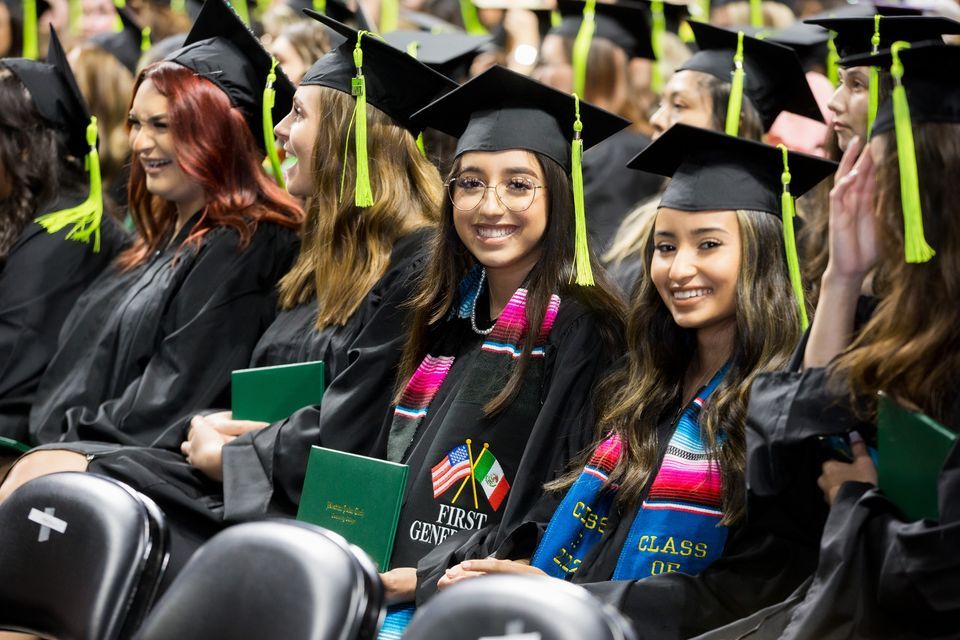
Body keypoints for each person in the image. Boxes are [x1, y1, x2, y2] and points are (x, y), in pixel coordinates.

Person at [0, 8, 456, 579]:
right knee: (52, 477)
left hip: (305, 510)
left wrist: (236, 449)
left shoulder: (412, 263)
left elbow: (360, 425)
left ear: (347, 137)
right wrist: (222, 430)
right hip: (251, 483)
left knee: (64, 484)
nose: (281, 132)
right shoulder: (319, 265)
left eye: (296, 114)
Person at [416, 124, 836, 619]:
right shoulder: (641, 385)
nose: (678, 269)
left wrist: (571, 599)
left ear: (763, 256)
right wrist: (461, 568)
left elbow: (757, 588)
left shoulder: (781, 413)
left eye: (708, 245)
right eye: (665, 246)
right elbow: (557, 514)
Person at [693, 41, 960, 640]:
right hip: (854, 591)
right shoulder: (910, 315)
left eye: (882, 174)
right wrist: (841, 276)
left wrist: (856, 503)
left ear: (934, 191)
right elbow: (787, 459)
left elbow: (942, 573)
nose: (860, 191)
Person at [21, 0, 303, 449]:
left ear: (217, 135)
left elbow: (175, 397)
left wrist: (66, 448)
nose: (140, 142)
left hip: (130, 471)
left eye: (162, 125)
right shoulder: (159, 238)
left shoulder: (246, 244)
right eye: (135, 123)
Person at [605, 21, 823, 294]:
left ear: (736, 122)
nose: (656, 119)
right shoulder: (646, 216)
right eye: (661, 103)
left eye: (679, 105)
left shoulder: (787, 237)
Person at [0, 28, 126, 463]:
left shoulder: (67, 232)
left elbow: (11, 358)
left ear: (21, 148)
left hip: (19, 449)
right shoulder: (28, 211)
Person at [535, 0, 663, 253]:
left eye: (550, 63)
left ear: (592, 71)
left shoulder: (617, 153)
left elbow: (599, 256)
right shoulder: (605, 145)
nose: (539, 75)